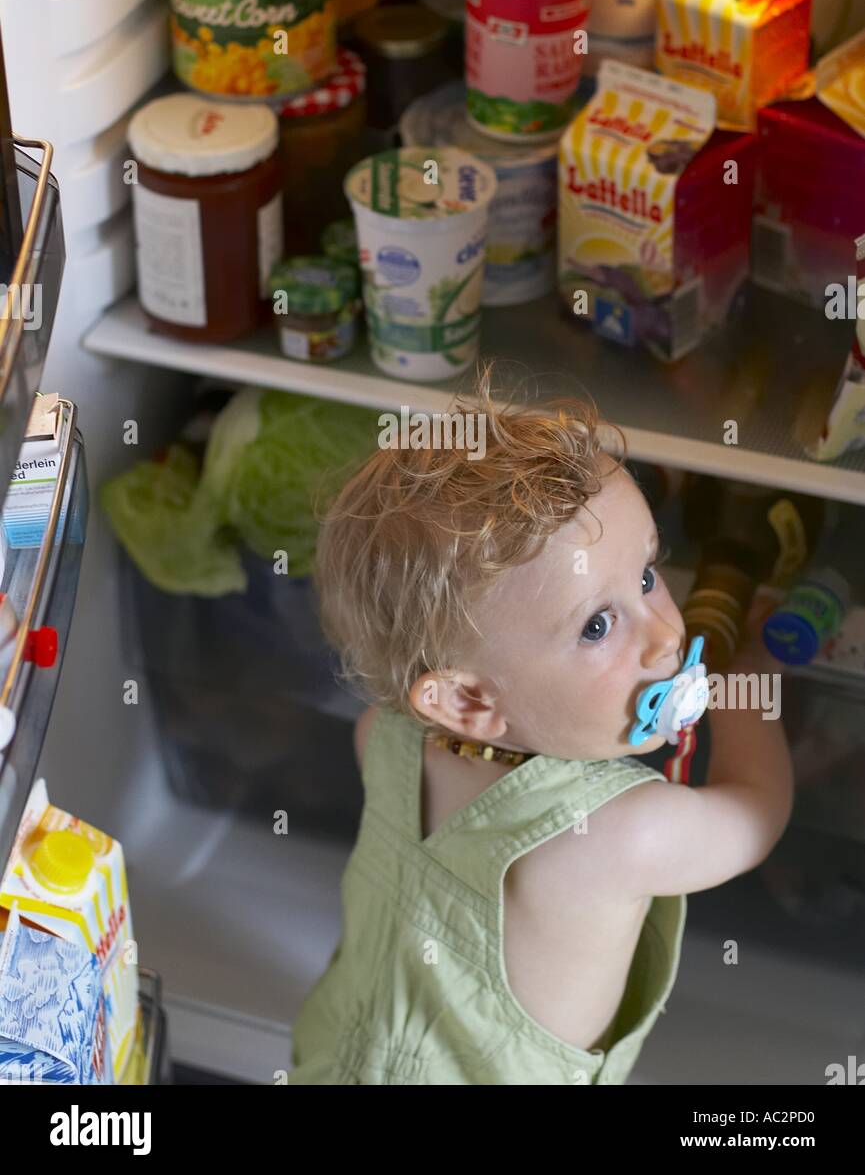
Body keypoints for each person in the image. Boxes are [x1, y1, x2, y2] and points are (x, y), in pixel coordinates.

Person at [286, 370, 794, 1084]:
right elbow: (756, 812)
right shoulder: (625, 833)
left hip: (334, 1060)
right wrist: (752, 673)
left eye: (647, 575)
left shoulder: (382, 735)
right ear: (466, 704)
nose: (662, 637)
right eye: (596, 624)